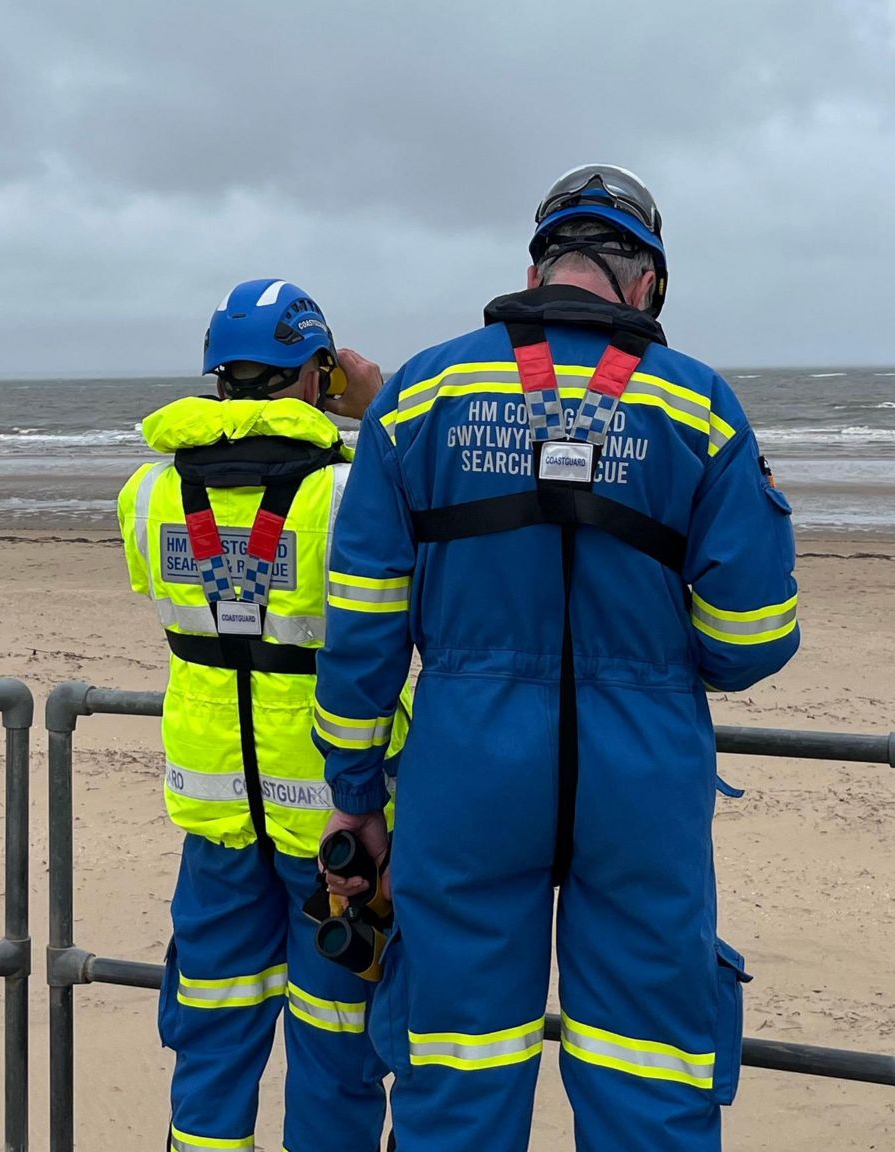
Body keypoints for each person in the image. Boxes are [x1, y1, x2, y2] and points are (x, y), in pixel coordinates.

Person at [311, 166, 801, 1151]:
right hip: (642, 773)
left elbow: (362, 621)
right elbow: (752, 637)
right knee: (647, 1067)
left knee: (455, 1062)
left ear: (539, 265)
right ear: (648, 283)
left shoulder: (418, 396)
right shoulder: (698, 405)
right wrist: (661, 659)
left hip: (464, 771)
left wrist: (355, 794)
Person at [119, 278, 410, 1152]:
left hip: (213, 817)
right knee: (337, 1041)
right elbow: (427, 484)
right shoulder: (352, 492)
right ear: (319, 374)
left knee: (211, 1032)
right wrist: (382, 402)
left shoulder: (147, 494)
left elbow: (187, 588)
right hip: (340, 818)